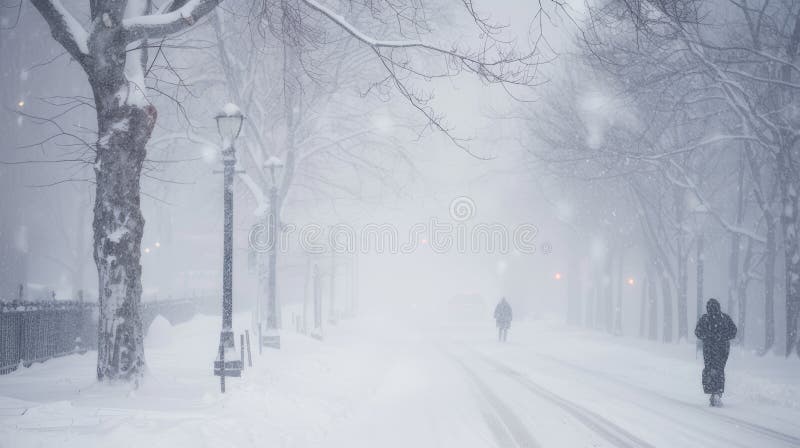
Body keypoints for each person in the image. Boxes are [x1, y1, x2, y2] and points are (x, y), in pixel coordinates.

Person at [694, 298, 737, 407]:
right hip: (723, 349)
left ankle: (713, 391)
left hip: (709, 349)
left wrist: (708, 336)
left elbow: (698, 332)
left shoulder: (705, 319)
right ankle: (717, 392)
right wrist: (722, 337)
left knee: (710, 369)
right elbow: (733, 331)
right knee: (719, 370)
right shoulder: (725, 318)